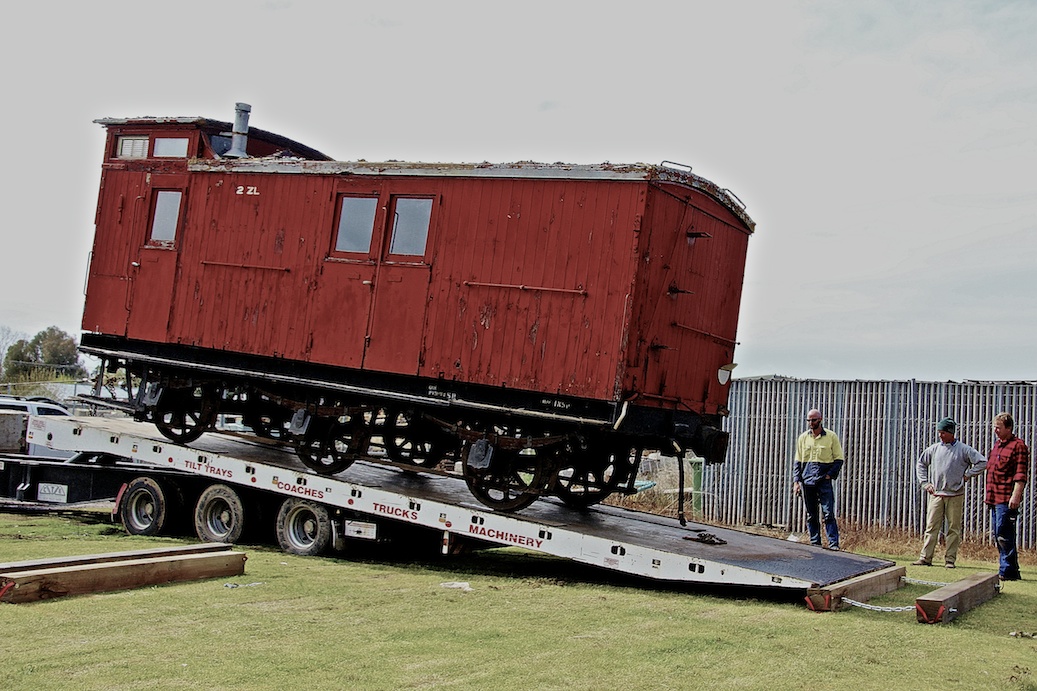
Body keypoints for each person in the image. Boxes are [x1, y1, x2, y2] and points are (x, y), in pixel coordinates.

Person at [912, 418, 986, 568]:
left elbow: (982, 462)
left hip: (955, 494)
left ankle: (950, 560)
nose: (940, 435)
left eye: (943, 432)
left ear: (951, 433)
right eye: (939, 432)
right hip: (937, 494)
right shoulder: (934, 449)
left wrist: (968, 475)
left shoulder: (964, 449)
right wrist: (925, 483)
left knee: (953, 528)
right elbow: (921, 463)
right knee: (931, 526)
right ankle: (925, 557)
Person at [985, 412, 1029, 581]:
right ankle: (1011, 570)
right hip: (994, 496)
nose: (995, 430)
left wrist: (1016, 495)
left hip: (1006, 497)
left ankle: (1007, 570)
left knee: (1004, 533)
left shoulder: (1018, 446)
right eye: (994, 427)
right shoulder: (998, 445)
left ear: (1009, 428)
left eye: (999, 427)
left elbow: (1020, 473)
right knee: (999, 533)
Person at [793, 409, 845, 550]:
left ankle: (833, 544)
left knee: (828, 512)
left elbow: (839, 459)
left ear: (820, 419)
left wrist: (829, 475)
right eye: (809, 420)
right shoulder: (803, 437)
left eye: (814, 420)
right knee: (811, 514)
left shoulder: (831, 436)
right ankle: (815, 542)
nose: (811, 423)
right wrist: (796, 481)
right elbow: (798, 461)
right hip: (807, 479)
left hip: (823, 480)